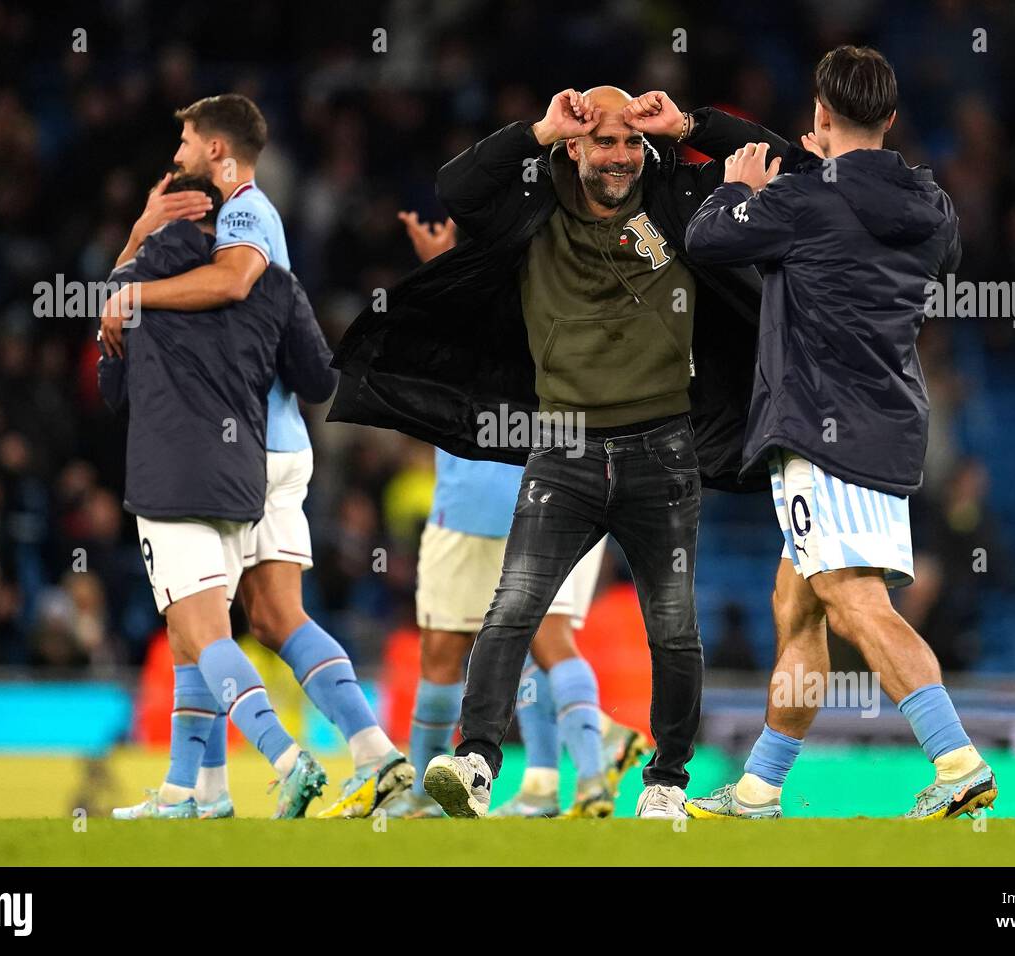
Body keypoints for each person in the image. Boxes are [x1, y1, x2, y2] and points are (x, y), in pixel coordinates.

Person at [332, 86, 801, 818]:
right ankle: (479, 761)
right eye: (602, 142)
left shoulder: (676, 192)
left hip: (664, 449)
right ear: (573, 147)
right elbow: (456, 187)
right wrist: (535, 130)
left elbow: (788, 162)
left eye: (629, 143)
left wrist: (692, 126)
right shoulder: (532, 197)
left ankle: (666, 784)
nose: (619, 156)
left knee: (673, 628)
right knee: (513, 607)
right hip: (563, 448)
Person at [682, 45, 996, 820]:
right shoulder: (931, 207)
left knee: (852, 599)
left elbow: (705, 241)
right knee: (798, 600)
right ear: (889, 119)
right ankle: (759, 787)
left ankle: (958, 761)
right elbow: (862, 198)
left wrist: (735, 189)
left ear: (821, 115)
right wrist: (786, 160)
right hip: (888, 422)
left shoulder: (801, 203)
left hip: (817, 428)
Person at [101, 95, 411, 820]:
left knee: (201, 621)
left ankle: (254, 768)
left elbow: (235, 280)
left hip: (244, 446)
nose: (176, 154)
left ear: (217, 149)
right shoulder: (230, 228)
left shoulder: (248, 212)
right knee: (271, 617)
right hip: (271, 445)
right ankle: (370, 755)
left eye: (184, 142)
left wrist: (132, 291)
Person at [384, 214, 649, 820]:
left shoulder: (484, 305)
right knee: (538, 644)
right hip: (568, 494)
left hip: (485, 501)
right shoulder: (579, 300)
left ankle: (435, 793)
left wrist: (438, 271)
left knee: (463, 648)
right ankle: (570, 779)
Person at [98, 175, 334, 818]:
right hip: (245, 477)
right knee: (189, 635)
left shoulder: (142, 289)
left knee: (202, 632)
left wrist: (134, 244)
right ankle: (194, 789)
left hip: (171, 479)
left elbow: (110, 388)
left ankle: (287, 758)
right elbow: (316, 375)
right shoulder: (255, 287)